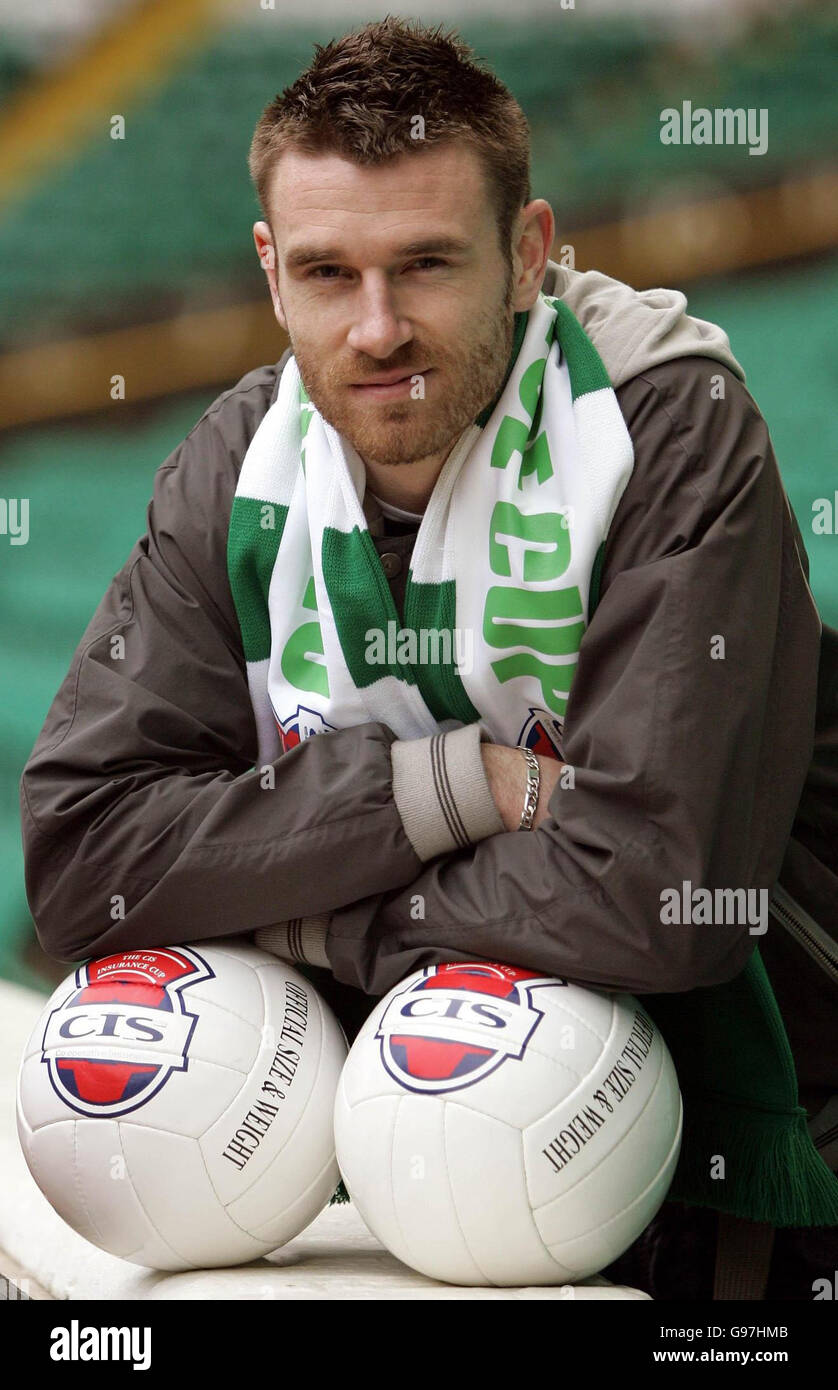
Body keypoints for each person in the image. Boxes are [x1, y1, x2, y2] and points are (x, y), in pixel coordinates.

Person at [19, 18, 838, 1300]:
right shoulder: (240, 463)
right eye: (327, 272)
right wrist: (457, 786)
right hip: (428, 1129)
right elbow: (84, 863)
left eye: (425, 264)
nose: (376, 329)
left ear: (527, 253)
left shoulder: (667, 420)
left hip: (770, 1120)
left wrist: (294, 907)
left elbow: (661, 895)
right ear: (271, 273)